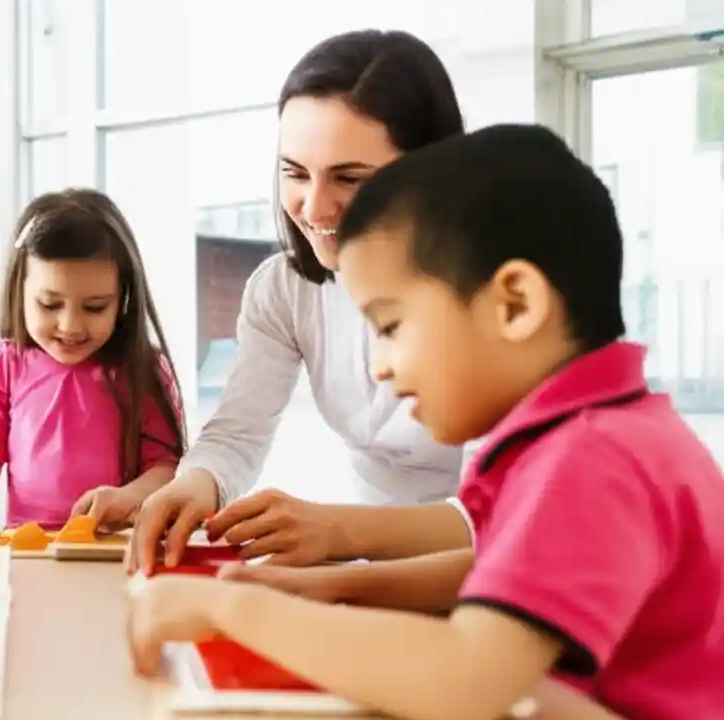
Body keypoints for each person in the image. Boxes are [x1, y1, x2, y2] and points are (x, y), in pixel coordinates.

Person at [127, 124, 724, 719]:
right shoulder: (608, 429)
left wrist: (229, 611)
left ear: (514, 304)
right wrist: (333, 588)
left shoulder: (594, 458)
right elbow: (502, 571)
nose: (381, 368)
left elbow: (467, 679)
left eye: (389, 327)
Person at [132, 29, 481, 574]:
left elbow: (506, 513)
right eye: (294, 173)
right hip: (367, 562)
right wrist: (194, 485)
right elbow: (238, 432)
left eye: (349, 178)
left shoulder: (494, 296)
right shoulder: (283, 289)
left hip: (483, 570)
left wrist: (334, 532)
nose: (315, 207)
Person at [0, 189, 185, 547]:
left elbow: (166, 467)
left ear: (123, 298)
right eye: (49, 304)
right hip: (27, 548)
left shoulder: (142, 370)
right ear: (20, 290)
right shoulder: (3, 367)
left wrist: (129, 496)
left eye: (95, 307)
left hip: (117, 545)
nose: (70, 326)